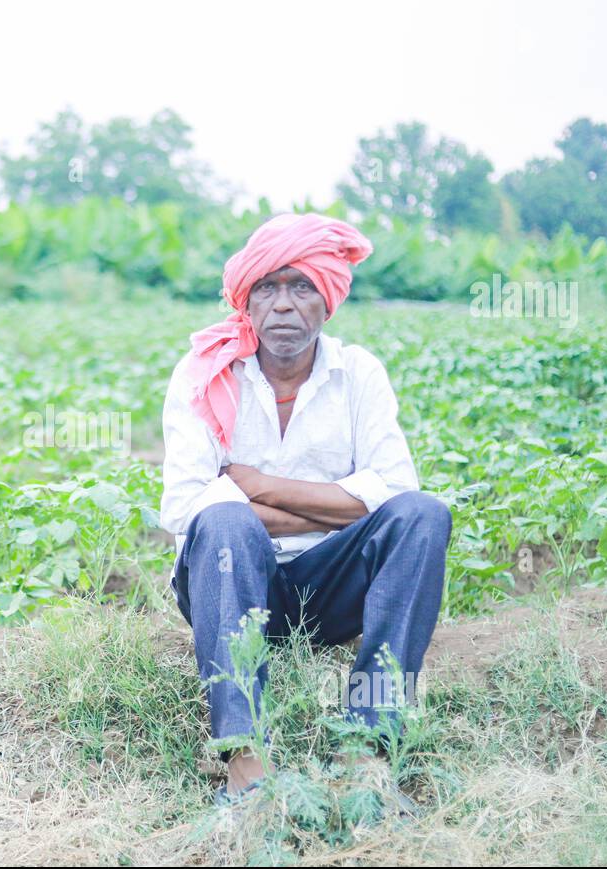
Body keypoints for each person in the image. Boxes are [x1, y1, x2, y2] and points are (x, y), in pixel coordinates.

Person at [159, 212, 452, 803]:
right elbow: (188, 509)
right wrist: (339, 506)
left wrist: (256, 485)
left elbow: (395, 491)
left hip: (330, 589)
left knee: (424, 514)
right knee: (223, 522)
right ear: (247, 301)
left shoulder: (359, 373)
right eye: (267, 287)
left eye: (302, 287)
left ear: (328, 299)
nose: (284, 305)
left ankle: (368, 745)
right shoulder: (204, 374)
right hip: (232, 588)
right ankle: (244, 760)